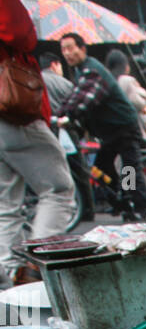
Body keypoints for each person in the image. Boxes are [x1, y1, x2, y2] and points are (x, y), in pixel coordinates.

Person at [0, 0, 76, 283]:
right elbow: (22, 35)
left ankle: (8, 279)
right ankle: (35, 267)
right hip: (10, 108)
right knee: (58, 189)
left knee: (5, 203)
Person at [57, 32, 146, 220]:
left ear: (82, 49)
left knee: (129, 170)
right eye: (63, 50)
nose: (67, 53)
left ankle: (138, 208)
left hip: (124, 127)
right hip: (109, 133)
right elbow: (74, 95)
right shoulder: (81, 72)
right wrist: (59, 114)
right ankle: (122, 200)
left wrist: (67, 115)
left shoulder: (93, 70)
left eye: (70, 48)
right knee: (99, 170)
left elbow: (85, 100)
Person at [40, 52, 95, 221]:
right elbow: (79, 106)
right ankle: (134, 205)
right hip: (66, 130)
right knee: (81, 170)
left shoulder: (35, 80)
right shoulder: (64, 83)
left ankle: (65, 209)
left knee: (54, 172)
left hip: (45, 130)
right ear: (55, 64)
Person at [105, 49, 146, 141]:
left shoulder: (106, 81)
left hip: (112, 129)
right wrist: (139, 88)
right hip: (130, 128)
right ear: (124, 65)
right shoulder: (126, 80)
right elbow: (140, 103)